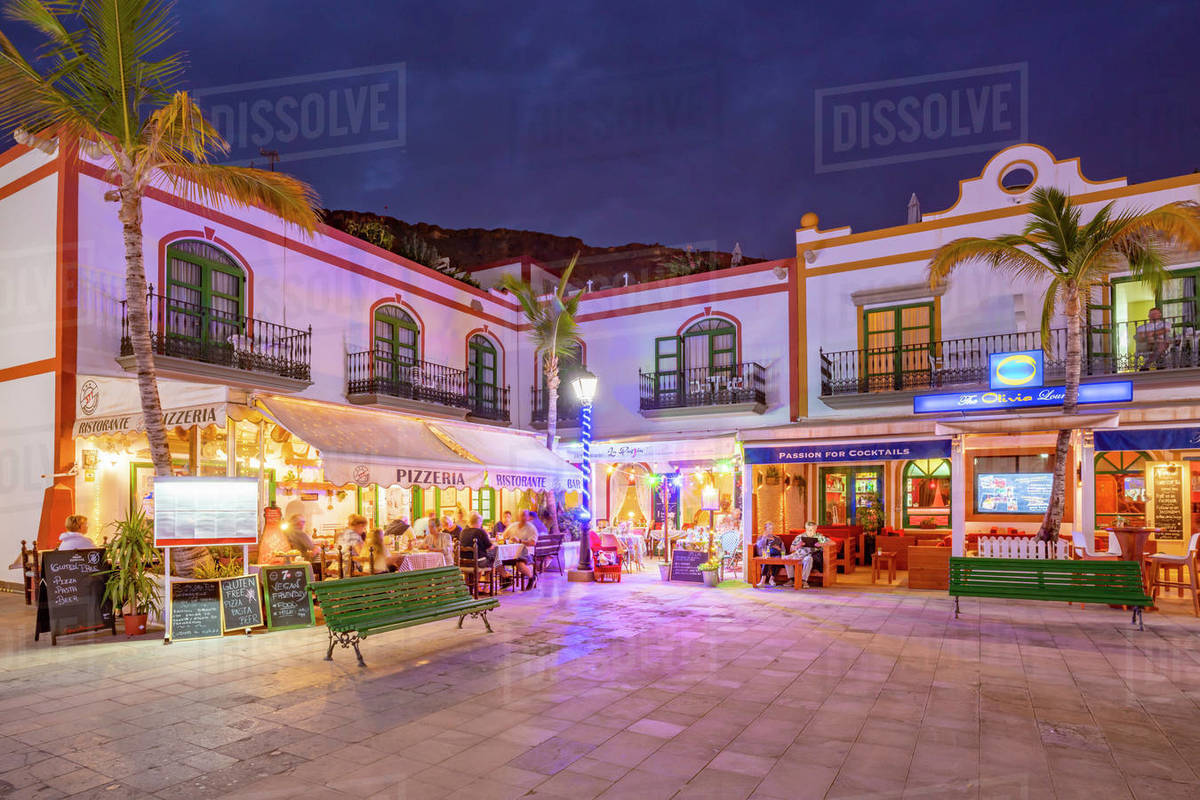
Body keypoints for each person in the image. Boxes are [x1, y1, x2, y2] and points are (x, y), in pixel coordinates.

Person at [783, 521, 829, 588]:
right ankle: (792, 579)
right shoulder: (799, 537)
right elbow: (791, 549)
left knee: (809, 559)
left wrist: (821, 544)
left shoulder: (819, 537)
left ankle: (803, 580)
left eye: (813, 529)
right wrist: (798, 546)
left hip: (809, 555)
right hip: (798, 555)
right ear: (806, 528)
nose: (811, 531)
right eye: (809, 529)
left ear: (816, 528)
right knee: (786, 558)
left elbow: (832, 543)